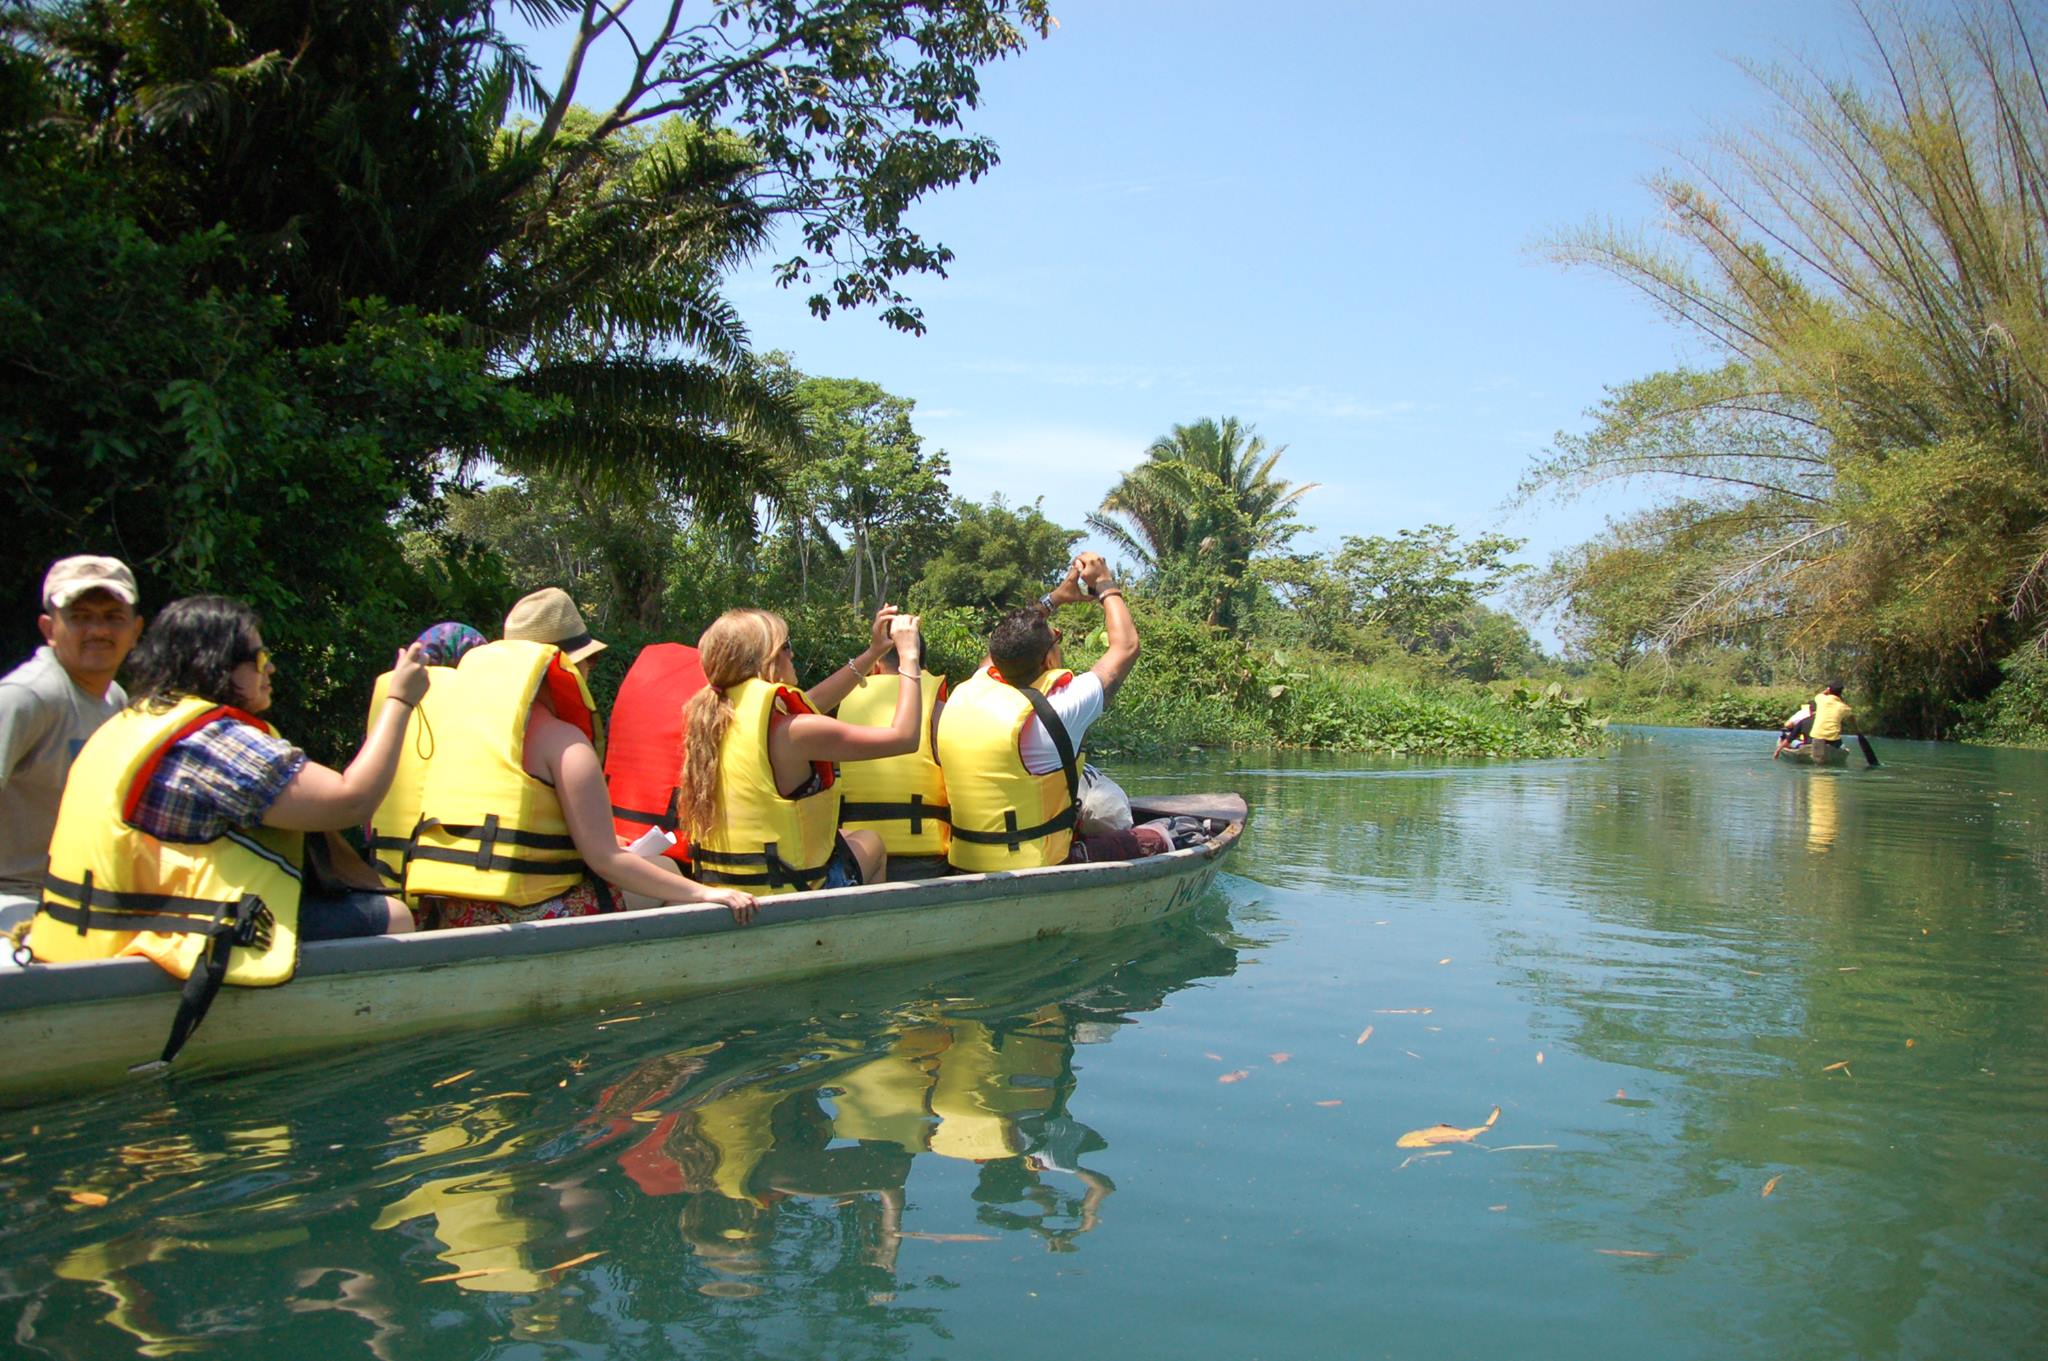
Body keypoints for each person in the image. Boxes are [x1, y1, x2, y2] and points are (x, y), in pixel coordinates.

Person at [30, 596, 422, 1059]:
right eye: (259, 657)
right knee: (395, 916)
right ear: (217, 663)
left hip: (87, 938)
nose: (269, 668)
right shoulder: (211, 741)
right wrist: (400, 700)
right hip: (169, 944)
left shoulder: (135, 719)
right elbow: (350, 800)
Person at [405, 587, 756, 927]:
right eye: (590, 659)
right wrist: (704, 892)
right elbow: (606, 861)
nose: (592, 668)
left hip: (447, 912)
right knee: (674, 882)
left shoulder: (455, 726)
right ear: (566, 666)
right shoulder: (563, 743)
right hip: (527, 914)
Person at [679, 609, 926, 893]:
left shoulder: (714, 716)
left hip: (726, 886)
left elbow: (813, 701)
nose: (792, 654)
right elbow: (904, 738)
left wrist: (873, 652)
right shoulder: (793, 732)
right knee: (872, 842)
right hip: (788, 893)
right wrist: (909, 656)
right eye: (786, 646)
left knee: (842, 837)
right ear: (768, 659)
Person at [936, 552, 1140, 871]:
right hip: (1037, 864)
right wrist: (1104, 583)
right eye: (1056, 638)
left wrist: (1055, 598)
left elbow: (1004, 647)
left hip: (967, 861)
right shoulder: (1059, 707)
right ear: (1048, 660)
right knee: (1156, 835)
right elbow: (1125, 647)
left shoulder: (969, 690)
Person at [0, 556, 144, 944]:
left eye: (113, 616)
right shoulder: (27, 697)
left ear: (135, 630)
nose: (98, 630)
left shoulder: (114, 699)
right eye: (80, 617)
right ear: (49, 629)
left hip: (78, 897)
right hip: (14, 896)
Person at [834, 623, 951, 861]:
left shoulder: (844, 700)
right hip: (923, 854)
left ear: (876, 666)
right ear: (923, 667)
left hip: (856, 851)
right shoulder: (938, 710)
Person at [1809, 682, 1857, 758]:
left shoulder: (1821, 699)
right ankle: (1843, 750)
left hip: (1817, 736)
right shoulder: (1844, 707)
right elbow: (1850, 717)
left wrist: (1827, 690)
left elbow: (1820, 694)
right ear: (1840, 693)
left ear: (1828, 690)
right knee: (1845, 749)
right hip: (1833, 738)